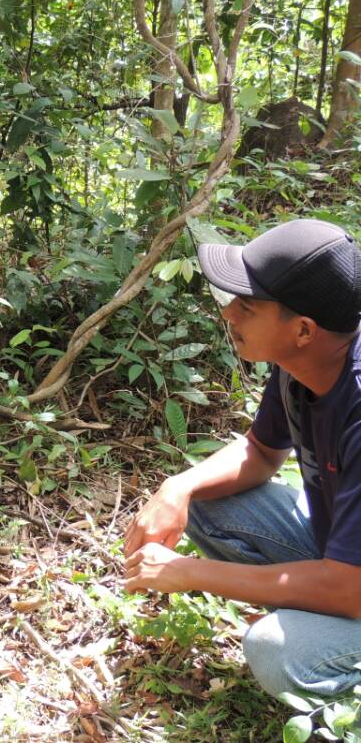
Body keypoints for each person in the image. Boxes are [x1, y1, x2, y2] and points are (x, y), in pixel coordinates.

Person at [124, 218, 361, 701]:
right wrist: (179, 488)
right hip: (344, 562)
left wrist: (190, 572)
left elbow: (349, 590)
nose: (229, 314)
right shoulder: (303, 363)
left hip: (351, 583)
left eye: (247, 307)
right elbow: (260, 452)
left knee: (275, 650)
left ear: (303, 330)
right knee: (208, 500)